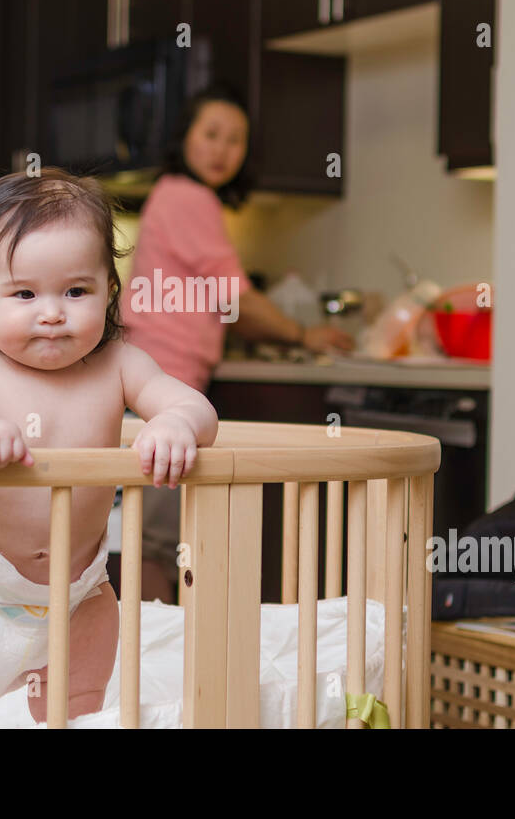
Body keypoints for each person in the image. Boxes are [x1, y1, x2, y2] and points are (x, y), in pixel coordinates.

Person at [0, 167, 218, 727]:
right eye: (25, 293)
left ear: (109, 289)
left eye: (76, 291)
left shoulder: (120, 365)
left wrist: (175, 424)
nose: (52, 312)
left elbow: (195, 406)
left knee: (75, 704)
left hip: (81, 590)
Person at [120, 82, 355, 602]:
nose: (221, 149)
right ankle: (148, 657)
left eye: (235, 139)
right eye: (210, 134)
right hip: (164, 375)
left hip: (158, 372)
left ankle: (144, 657)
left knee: (150, 528)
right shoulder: (187, 196)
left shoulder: (177, 196)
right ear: (185, 138)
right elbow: (236, 297)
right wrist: (303, 333)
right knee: (157, 535)